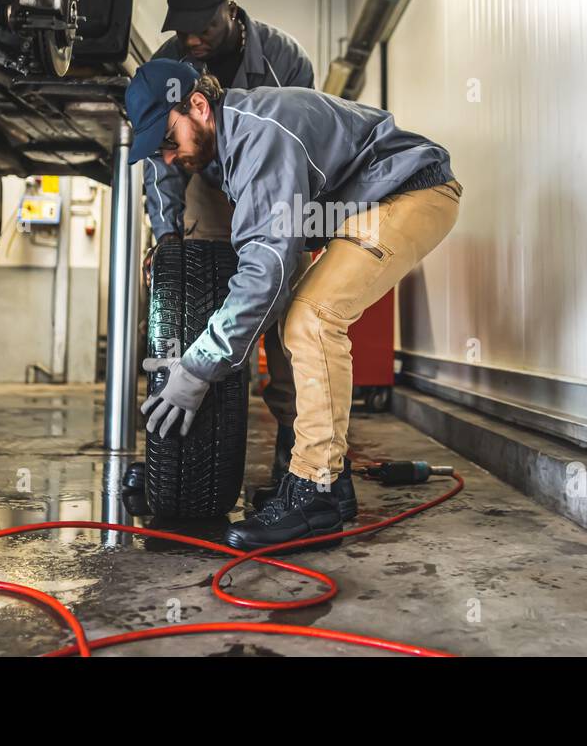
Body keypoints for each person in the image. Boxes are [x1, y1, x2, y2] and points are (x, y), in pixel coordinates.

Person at [126, 60, 462, 551]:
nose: (170, 158)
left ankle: (315, 493)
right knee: (291, 318)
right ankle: (333, 478)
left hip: (413, 191)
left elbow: (266, 272)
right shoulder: (234, 143)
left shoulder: (258, 138)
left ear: (198, 105)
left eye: (170, 140)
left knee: (313, 318)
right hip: (369, 202)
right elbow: (271, 277)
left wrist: (196, 368)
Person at [143, 0, 315, 496]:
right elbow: (160, 156)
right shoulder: (170, 62)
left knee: (287, 326)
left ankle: (298, 456)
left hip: (272, 184)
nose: (194, 39)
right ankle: (171, 452)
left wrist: (297, 236)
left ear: (231, 9)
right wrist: (167, 236)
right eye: (185, 29)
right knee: (185, 314)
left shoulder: (285, 59)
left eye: (206, 26)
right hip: (206, 186)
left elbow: (300, 147)